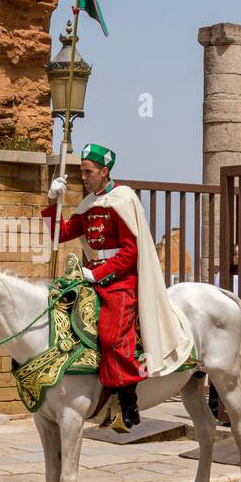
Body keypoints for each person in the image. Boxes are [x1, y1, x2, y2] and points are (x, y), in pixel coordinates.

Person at [44, 143, 193, 429]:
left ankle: (127, 398)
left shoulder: (123, 199)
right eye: (81, 172)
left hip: (120, 280)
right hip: (90, 274)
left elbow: (130, 251)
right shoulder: (88, 205)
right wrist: (53, 202)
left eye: (88, 172)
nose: (83, 178)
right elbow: (59, 235)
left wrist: (99, 275)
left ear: (104, 171)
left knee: (112, 336)